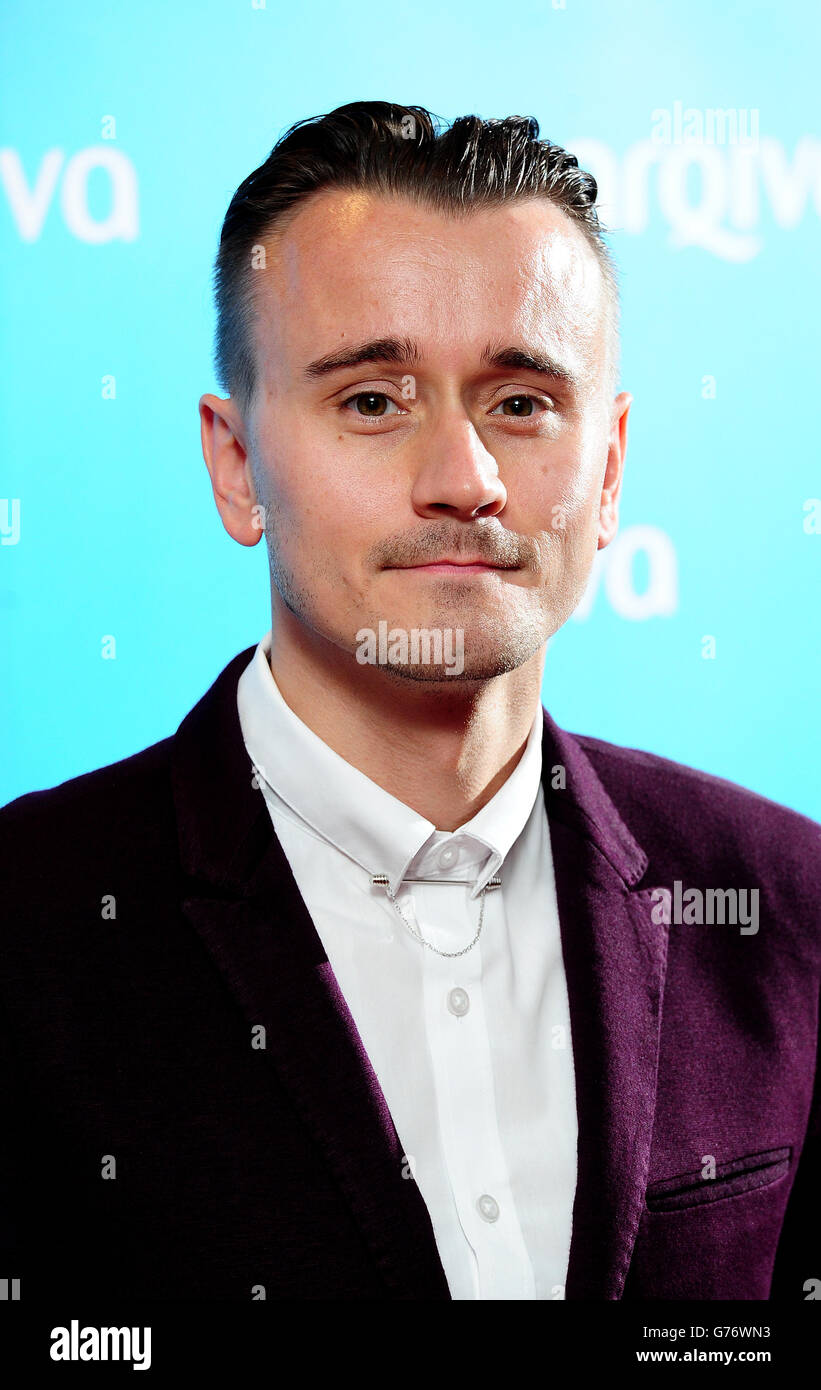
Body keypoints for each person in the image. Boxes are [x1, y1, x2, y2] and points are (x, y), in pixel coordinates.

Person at [1, 101, 818, 1302]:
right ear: (237, 466)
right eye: (373, 400)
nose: (464, 481)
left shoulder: (784, 902)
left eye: (522, 401)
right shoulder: (30, 926)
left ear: (607, 470)